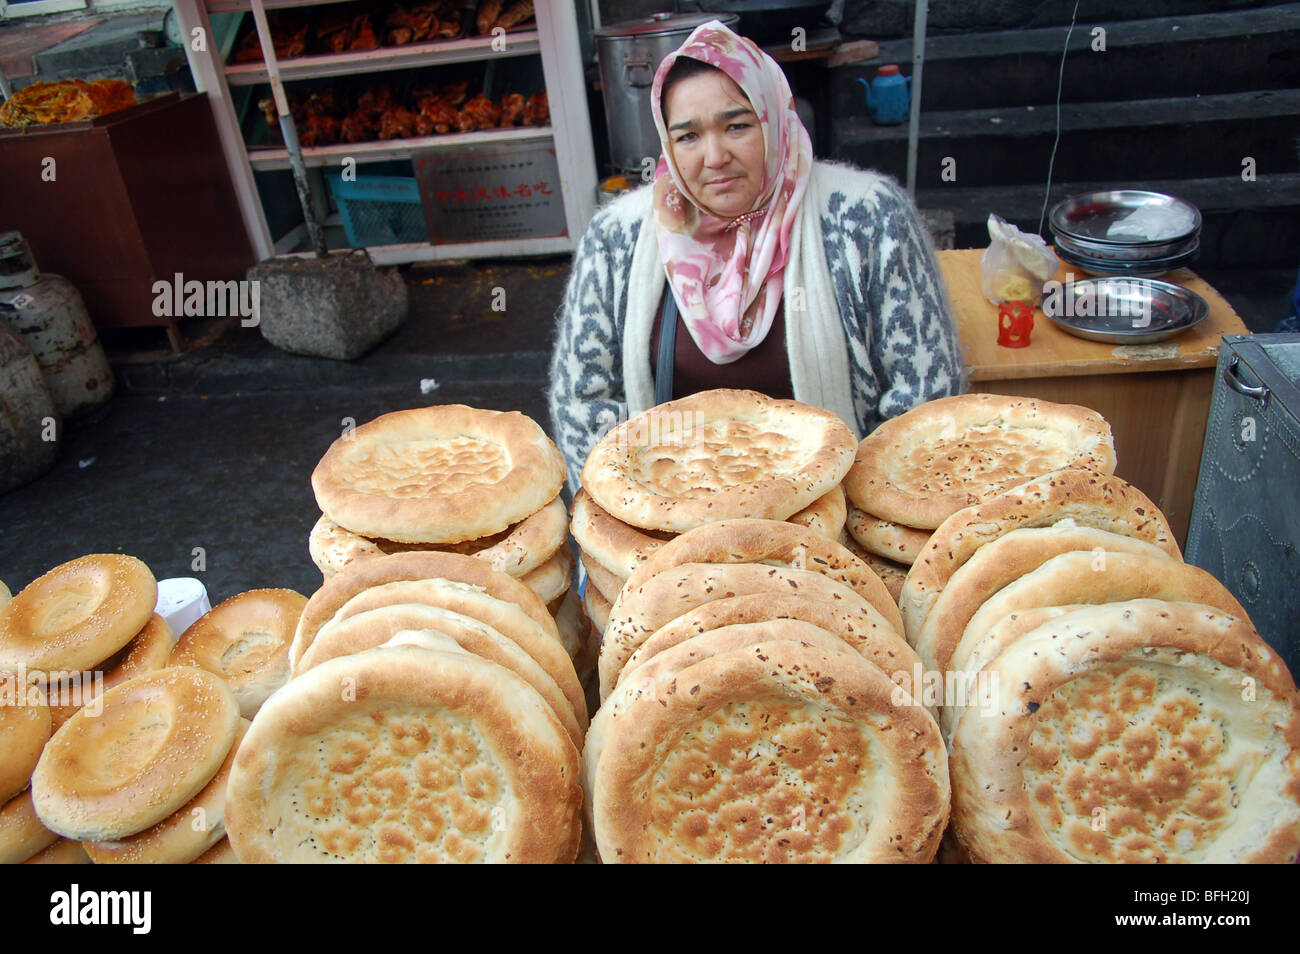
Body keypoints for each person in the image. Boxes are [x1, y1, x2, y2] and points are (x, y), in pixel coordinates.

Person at [548, 20, 966, 491]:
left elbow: (924, 400)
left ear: (774, 118)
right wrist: (638, 520)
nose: (714, 156)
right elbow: (583, 404)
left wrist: (852, 519)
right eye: (688, 136)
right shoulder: (616, 238)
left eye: (737, 126)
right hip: (668, 528)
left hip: (838, 522)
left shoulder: (868, 218)